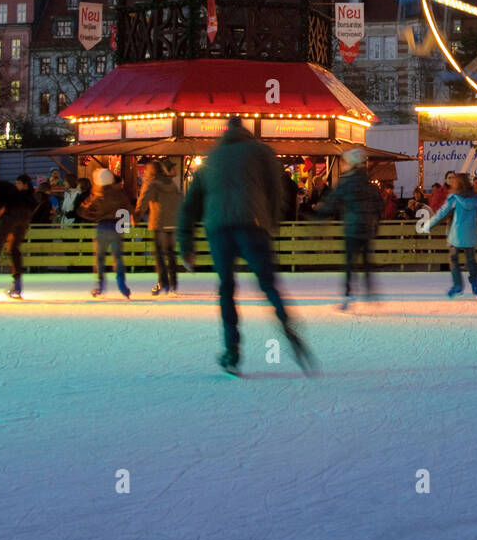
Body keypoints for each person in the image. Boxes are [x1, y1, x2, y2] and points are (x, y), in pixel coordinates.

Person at [177, 117, 312, 373]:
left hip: (218, 229)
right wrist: (270, 223)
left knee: (226, 288)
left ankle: (232, 351)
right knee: (267, 283)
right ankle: (285, 321)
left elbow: (190, 204)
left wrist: (186, 245)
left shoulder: (212, 158)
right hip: (252, 225)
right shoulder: (260, 152)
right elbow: (277, 190)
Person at [316, 147, 384, 311]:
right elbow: (379, 204)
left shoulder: (346, 182)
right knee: (367, 261)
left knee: (349, 263)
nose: (342, 165)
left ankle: (348, 295)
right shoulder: (368, 182)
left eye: (344, 162)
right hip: (367, 228)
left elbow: (333, 201)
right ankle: (370, 292)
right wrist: (375, 223)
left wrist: (320, 213)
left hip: (353, 228)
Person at [425, 173, 477, 298]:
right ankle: (475, 284)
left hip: (456, 235)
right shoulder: (474, 198)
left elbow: (441, 213)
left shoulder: (454, 198)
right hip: (471, 234)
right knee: (471, 260)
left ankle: (457, 285)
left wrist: (428, 225)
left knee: (453, 260)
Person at [81, 168, 133, 299]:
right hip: (116, 227)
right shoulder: (119, 193)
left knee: (100, 258)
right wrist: (128, 223)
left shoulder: (97, 194)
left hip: (102, 227)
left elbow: (84, 210)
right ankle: (121, 282)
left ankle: (100, 284)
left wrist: (93, 216)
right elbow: (127, 208)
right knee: (118, 257)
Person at [135, 161, 183, 296]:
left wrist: (137, 215)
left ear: (151, 171)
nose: (144, 173)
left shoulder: (152, 183)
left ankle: (163, 282)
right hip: (173, 223)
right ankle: (173, 283)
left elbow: (143, 199)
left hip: (159, 223)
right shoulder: (171, 184)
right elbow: (179, 201)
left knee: (160, 254)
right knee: (171, 253)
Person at [0, 176, 33, 299]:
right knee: (13, 248)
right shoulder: (5, 184)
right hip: (24, 215)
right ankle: (17, 286)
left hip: (10, 215)